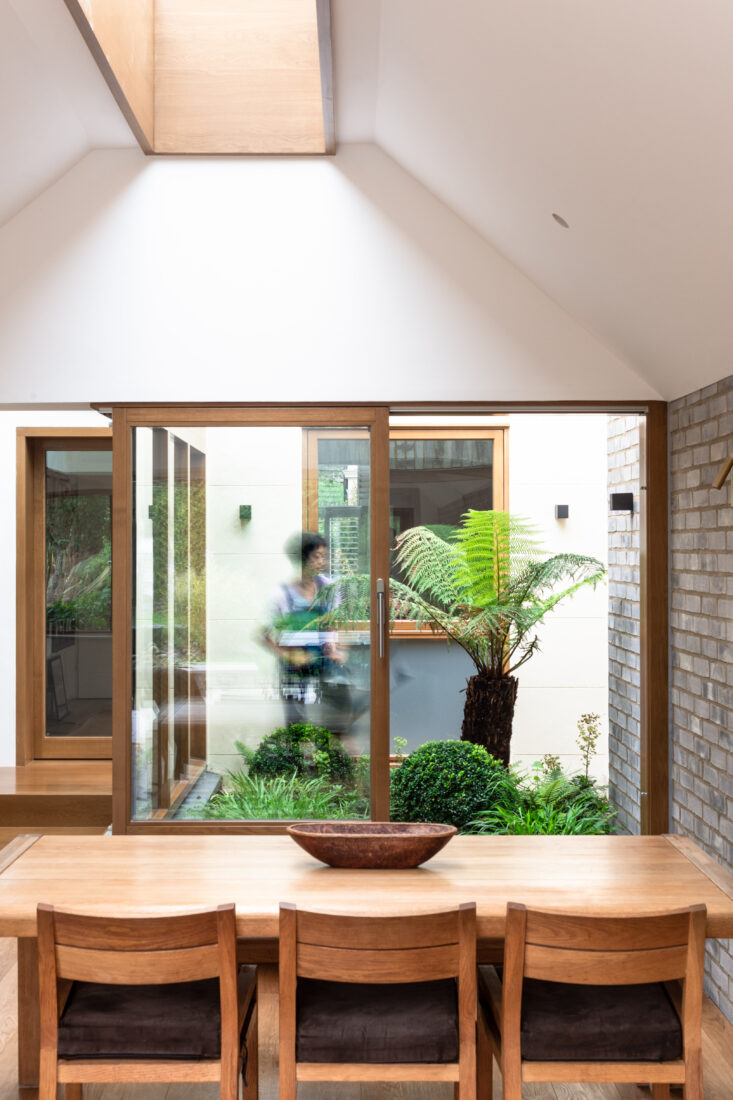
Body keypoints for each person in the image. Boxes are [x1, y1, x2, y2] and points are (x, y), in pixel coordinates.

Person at [262, 532, 350, 731]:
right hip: (294, 671)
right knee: (296, 726)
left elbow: (331, 623)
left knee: (334, 723)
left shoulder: (329, 588)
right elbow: (265, 635)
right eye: (316, 556)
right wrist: (288, 655)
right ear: (302, 559)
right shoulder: (282, 595)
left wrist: (333, 647)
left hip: (324, 666)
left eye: (323, 556)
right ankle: (299, 761)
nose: (321, 562)